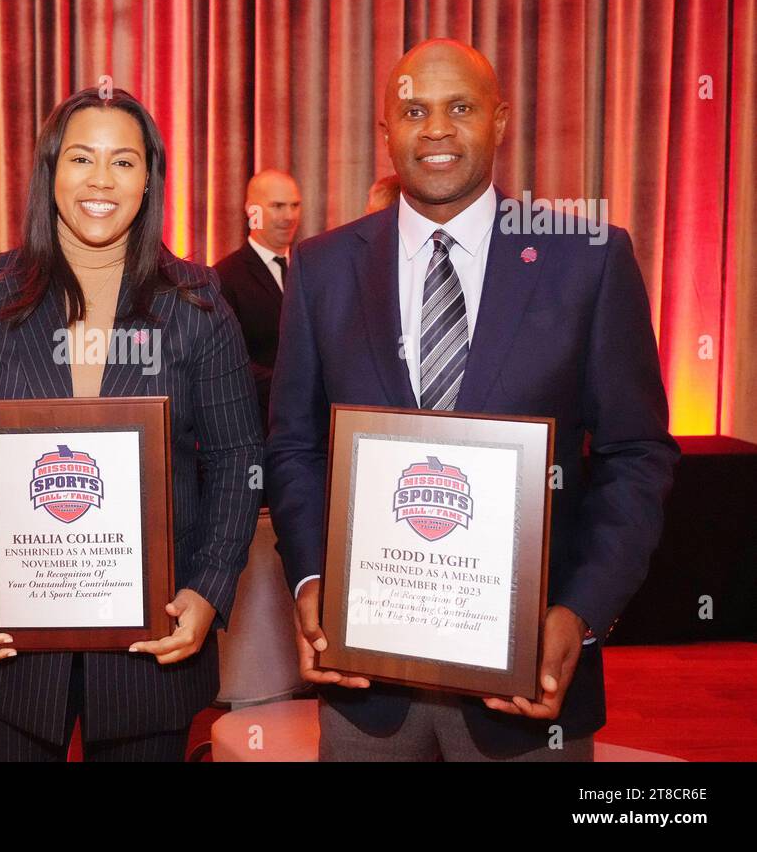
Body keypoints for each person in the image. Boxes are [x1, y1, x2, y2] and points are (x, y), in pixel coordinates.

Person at [267, 39, 678, 761]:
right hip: (366, 691)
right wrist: (309, 578)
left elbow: (636, 455)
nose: (435, 129)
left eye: (460, 107)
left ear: (501, 120)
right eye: (413, 110)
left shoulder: (589, 259)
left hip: (525, 690)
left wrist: (579, 613)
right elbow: (295, 445)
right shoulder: (322, 268)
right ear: (385, 132)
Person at [0, 87, 262, 762]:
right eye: (81, 159)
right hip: (3, 650)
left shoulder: (198, 305)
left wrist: (209, 588)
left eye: (123, 162)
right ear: (50, 171)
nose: (101, 180)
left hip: (151, 646)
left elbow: (238, 455)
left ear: (149, 178)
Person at [214, 169, 302, 437]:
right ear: (252, 211)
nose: (289, 216)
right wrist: (292, 385)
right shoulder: (225, 276)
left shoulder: (313, 267)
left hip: (311, 432)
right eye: (277, 206)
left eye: (295, 205)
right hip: (255, 430)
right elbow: (225, 362)